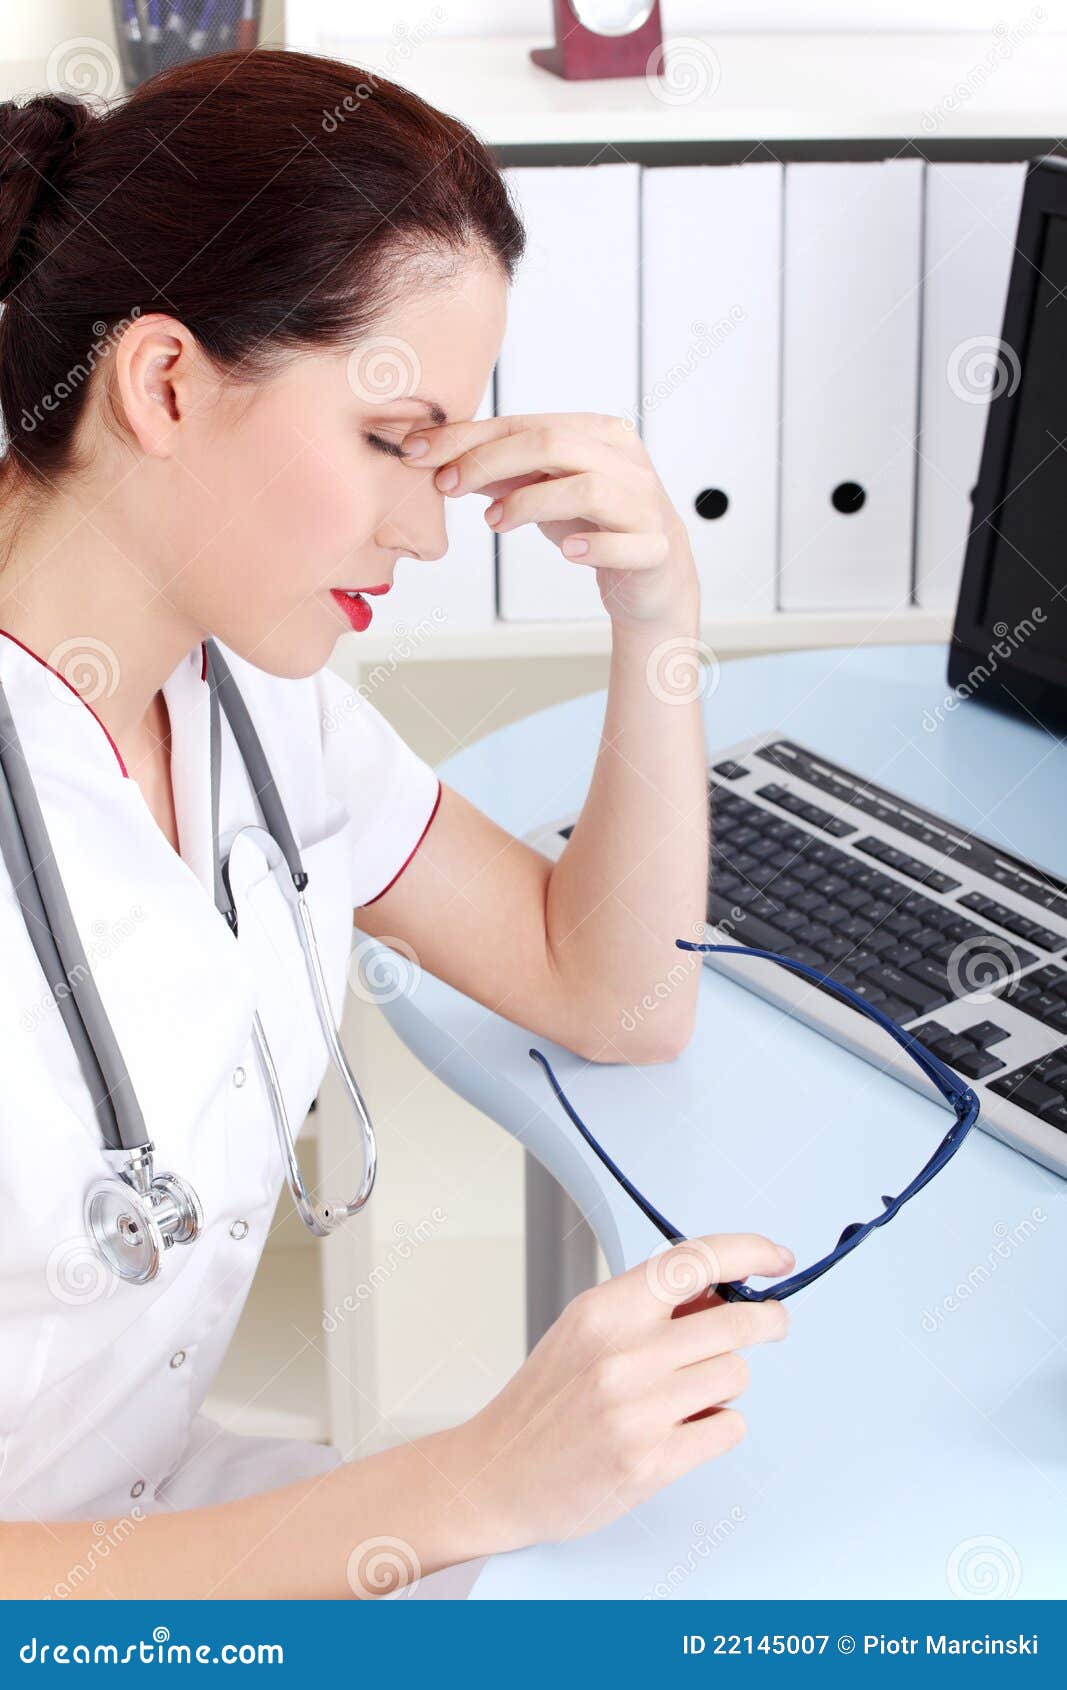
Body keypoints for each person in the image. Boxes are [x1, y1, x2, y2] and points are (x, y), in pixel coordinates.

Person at [0, 47, 792, 1599]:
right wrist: (467, 1479)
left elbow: (614, 993)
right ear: (163, 381)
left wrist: (655, 615)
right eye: (390, 437)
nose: (428, 525)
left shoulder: (248, 693)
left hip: (168, 1534)